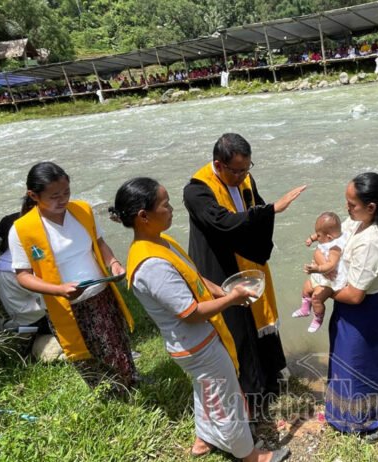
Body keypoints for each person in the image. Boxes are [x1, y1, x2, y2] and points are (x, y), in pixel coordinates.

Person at [111, 177, 290, 462]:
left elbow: (191, 275)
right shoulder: (151, 265)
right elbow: (190, 313)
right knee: (224, 398)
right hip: (195, 343)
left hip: (195, 342)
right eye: (165, 204)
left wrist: (220, 289)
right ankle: (250, 455)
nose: (171, 209)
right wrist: (231, 300)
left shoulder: (159, 242)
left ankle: (203, 439)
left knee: (206, 388)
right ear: (143, 216)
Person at [183, 133, 306, 411]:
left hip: (249, 260)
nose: (242, 176)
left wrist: (266, 213)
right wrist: (273, 209)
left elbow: (256, 209)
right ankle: (250, 395)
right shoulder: (196, 190)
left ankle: (271, 380)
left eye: (247, 168)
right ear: (218, 164)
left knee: (260, 321)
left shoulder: (246, 179)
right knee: (238, 329)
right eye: (236, 170)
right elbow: (221, 222)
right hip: (220, 265)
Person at [8, 162, 137, 393]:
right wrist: (59, 290)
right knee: (83, 352)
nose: (63, 200)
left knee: (115, 343)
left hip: (100, 295)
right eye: (54, 196)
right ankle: (106, 395)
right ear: (33, 195)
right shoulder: (22, 230)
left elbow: (99, 243)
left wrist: (114, 263)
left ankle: (130, 382)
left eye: (66, 192)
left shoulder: (82, 211)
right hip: (64, 304)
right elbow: (23, 275)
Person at [325, 172, 378, 442]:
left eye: (352, 204)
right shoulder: (357, 222)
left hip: (364, 310)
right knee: (347, 361)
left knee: (362, 365)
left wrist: (324, 290)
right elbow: (339, 239)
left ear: (371, 208)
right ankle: (346, 416)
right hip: (351, 305)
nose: (347, 208)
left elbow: (356, 295)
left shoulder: (373, 241)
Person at [0, 212, 49, 334]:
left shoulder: (9, 257)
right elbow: (46, 294)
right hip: (35, 320)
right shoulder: (15, 266)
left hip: (29, 316)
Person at [291, 212, 346, 333]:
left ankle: (318, 318)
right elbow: (320, 234)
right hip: (320, 274)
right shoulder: (328, 236)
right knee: (306, 288)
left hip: (329, 280)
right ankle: (305, 309)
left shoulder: (335, 248)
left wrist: (318, 269)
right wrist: (311, 238)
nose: (317, 237)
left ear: (329, 238)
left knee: (316, 299)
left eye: (318, 236)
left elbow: (331, 265)